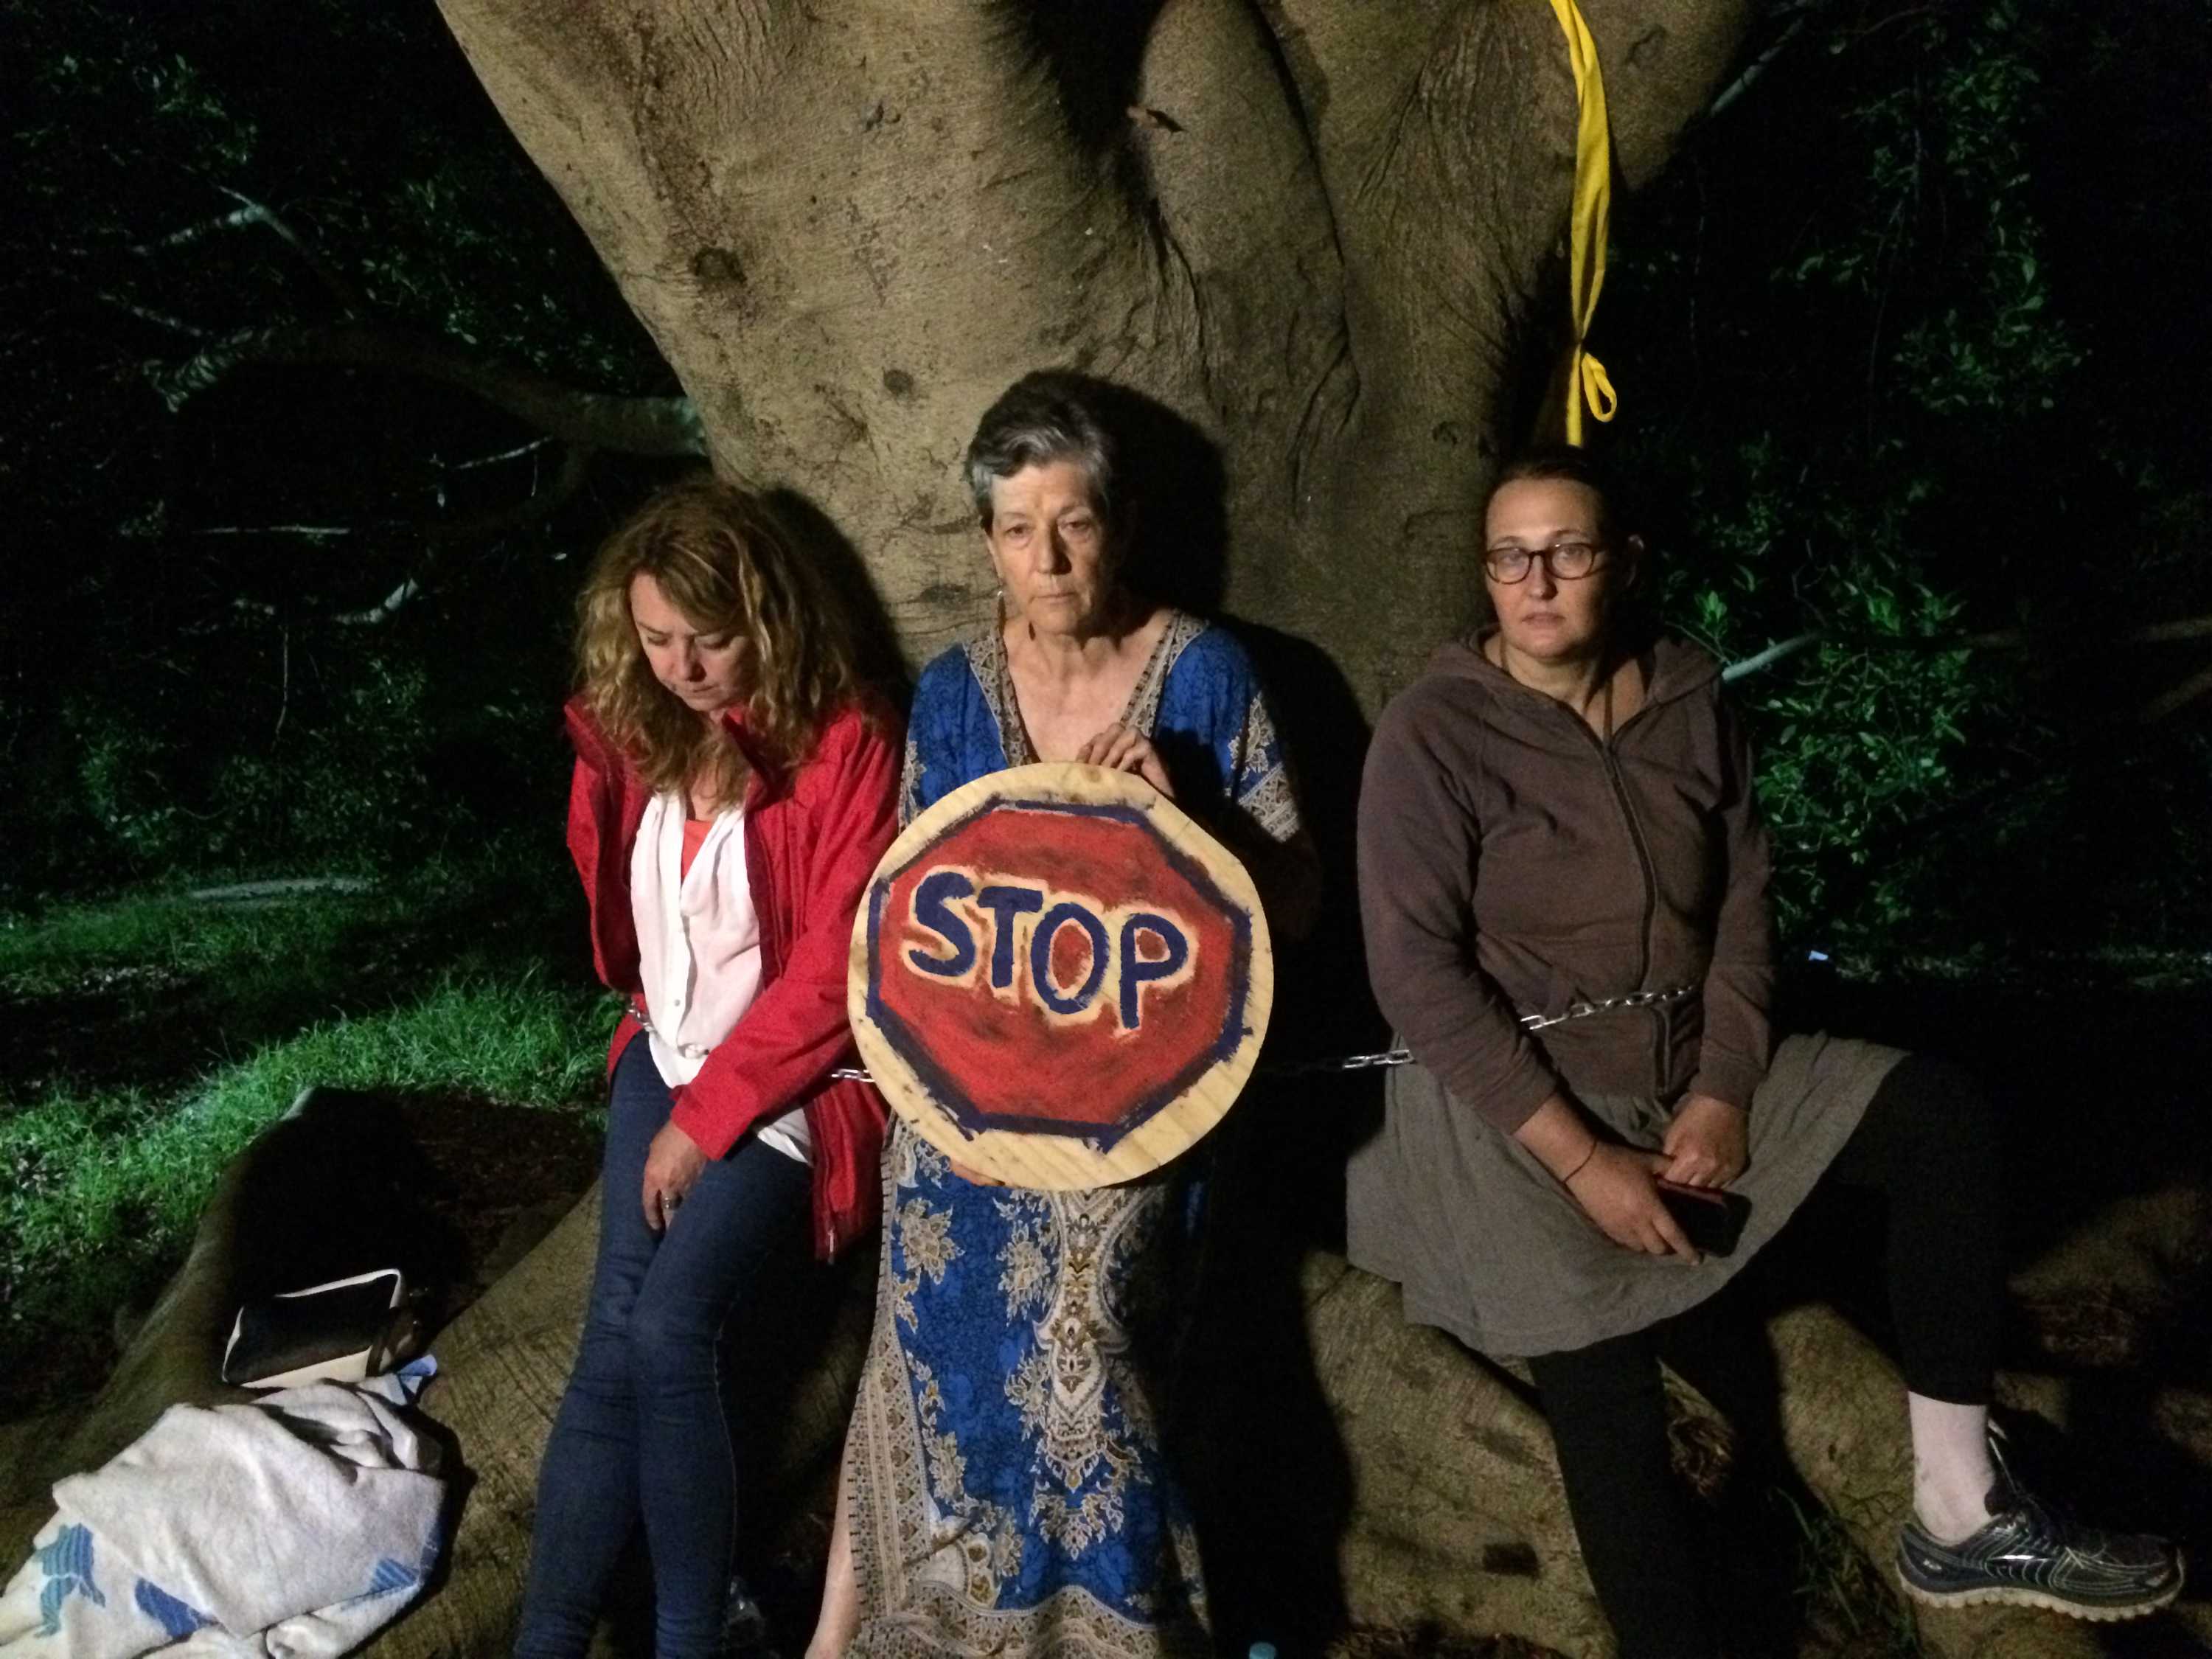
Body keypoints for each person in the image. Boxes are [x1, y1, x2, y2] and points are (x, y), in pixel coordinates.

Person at [1349, 446, 2183, 1655]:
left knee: (1936, 1114)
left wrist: (1727, 1086)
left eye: (1567, 551)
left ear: (1625, 561)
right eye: (1509, 557)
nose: (1535, 582)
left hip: (1687, 1059)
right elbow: (1417, 972)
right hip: (1511, 1100)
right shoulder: (1435, 732)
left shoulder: (1691, 699)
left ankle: (1960, 1506)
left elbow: (1744, 910)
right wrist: (1583, 1161)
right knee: (1602, 1385)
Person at [810, 372, 1318, 1657]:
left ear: (1120, 527)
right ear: (988, 542)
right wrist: (953, 1113)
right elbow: (908, 928)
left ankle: (1103, 1628)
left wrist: (1194, 827)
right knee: (930, 1296)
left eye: (1074, 524)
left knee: (1086, 1322)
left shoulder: (1206, 674)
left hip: (1143, 1110)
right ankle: (898, 1618)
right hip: (966, 1101)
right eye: (1019, 529)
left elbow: (1300, 902)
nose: (1047, 558)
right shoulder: (954, 692)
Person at [516, 476, 901, 1659]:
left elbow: (838, 967)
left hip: (798, 1081)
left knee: (672, 1329)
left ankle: (690, 1639)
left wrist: (708, 1116)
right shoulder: (639, 728)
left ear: (769, 619)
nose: (681, 666)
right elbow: (629, 920)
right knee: (611, 1342)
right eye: (655, 637)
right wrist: (672, 1089)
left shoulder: (847, 740)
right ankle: (545, 1640)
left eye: (709, 639)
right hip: (664, 1050)